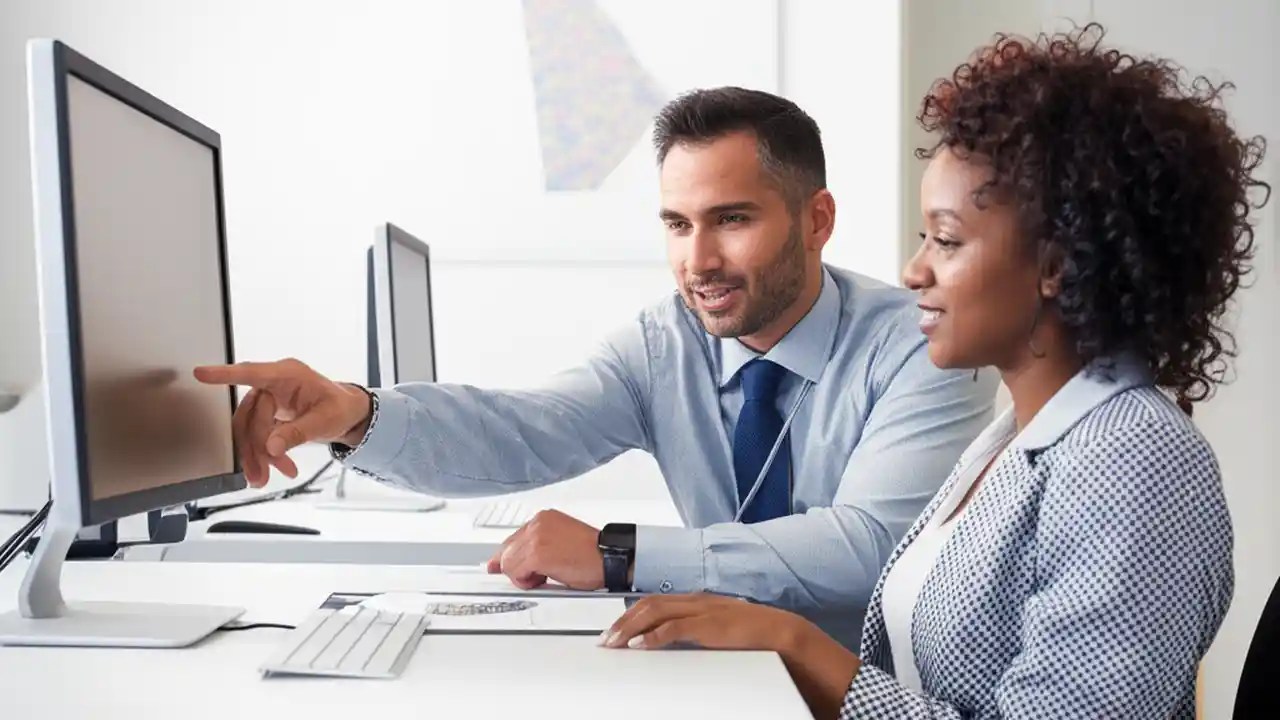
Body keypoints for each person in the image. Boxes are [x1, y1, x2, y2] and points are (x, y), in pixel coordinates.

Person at [599, 25, 1267, 720]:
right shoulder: (1018, 436)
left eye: (946, 240)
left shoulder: (1134, 458)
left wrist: (796, 645)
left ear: (1056, 264)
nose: (914, 270)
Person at [194, 87, 996, 646]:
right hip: (721, 671)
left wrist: (623, 554)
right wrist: (357, 413)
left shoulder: (921, 343)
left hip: (862, 690)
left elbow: (867, 549)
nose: (698, 259)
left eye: (732, 220)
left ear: (816, 220)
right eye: (677, 224)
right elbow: (528, 430)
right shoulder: (664, 344)